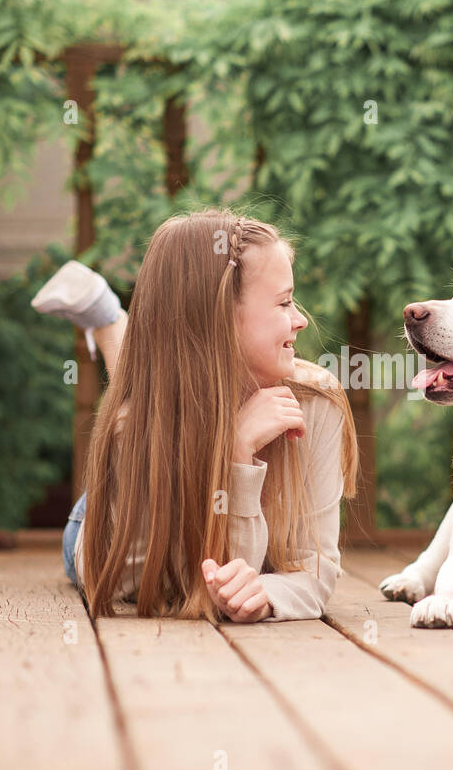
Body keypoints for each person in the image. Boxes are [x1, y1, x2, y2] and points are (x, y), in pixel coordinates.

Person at [31, 210, 359, 622]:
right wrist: (236, 453)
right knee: (143, 407)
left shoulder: (317, 402)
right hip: (100, 523)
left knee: (153, 393)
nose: (301, 319)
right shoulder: (130, 429)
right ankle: (108, 319)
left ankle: (111, 321)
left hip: (171, 425)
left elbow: (316, 568)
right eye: (284, 302)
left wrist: (265, 592)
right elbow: (126, 581)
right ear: (219, 316)